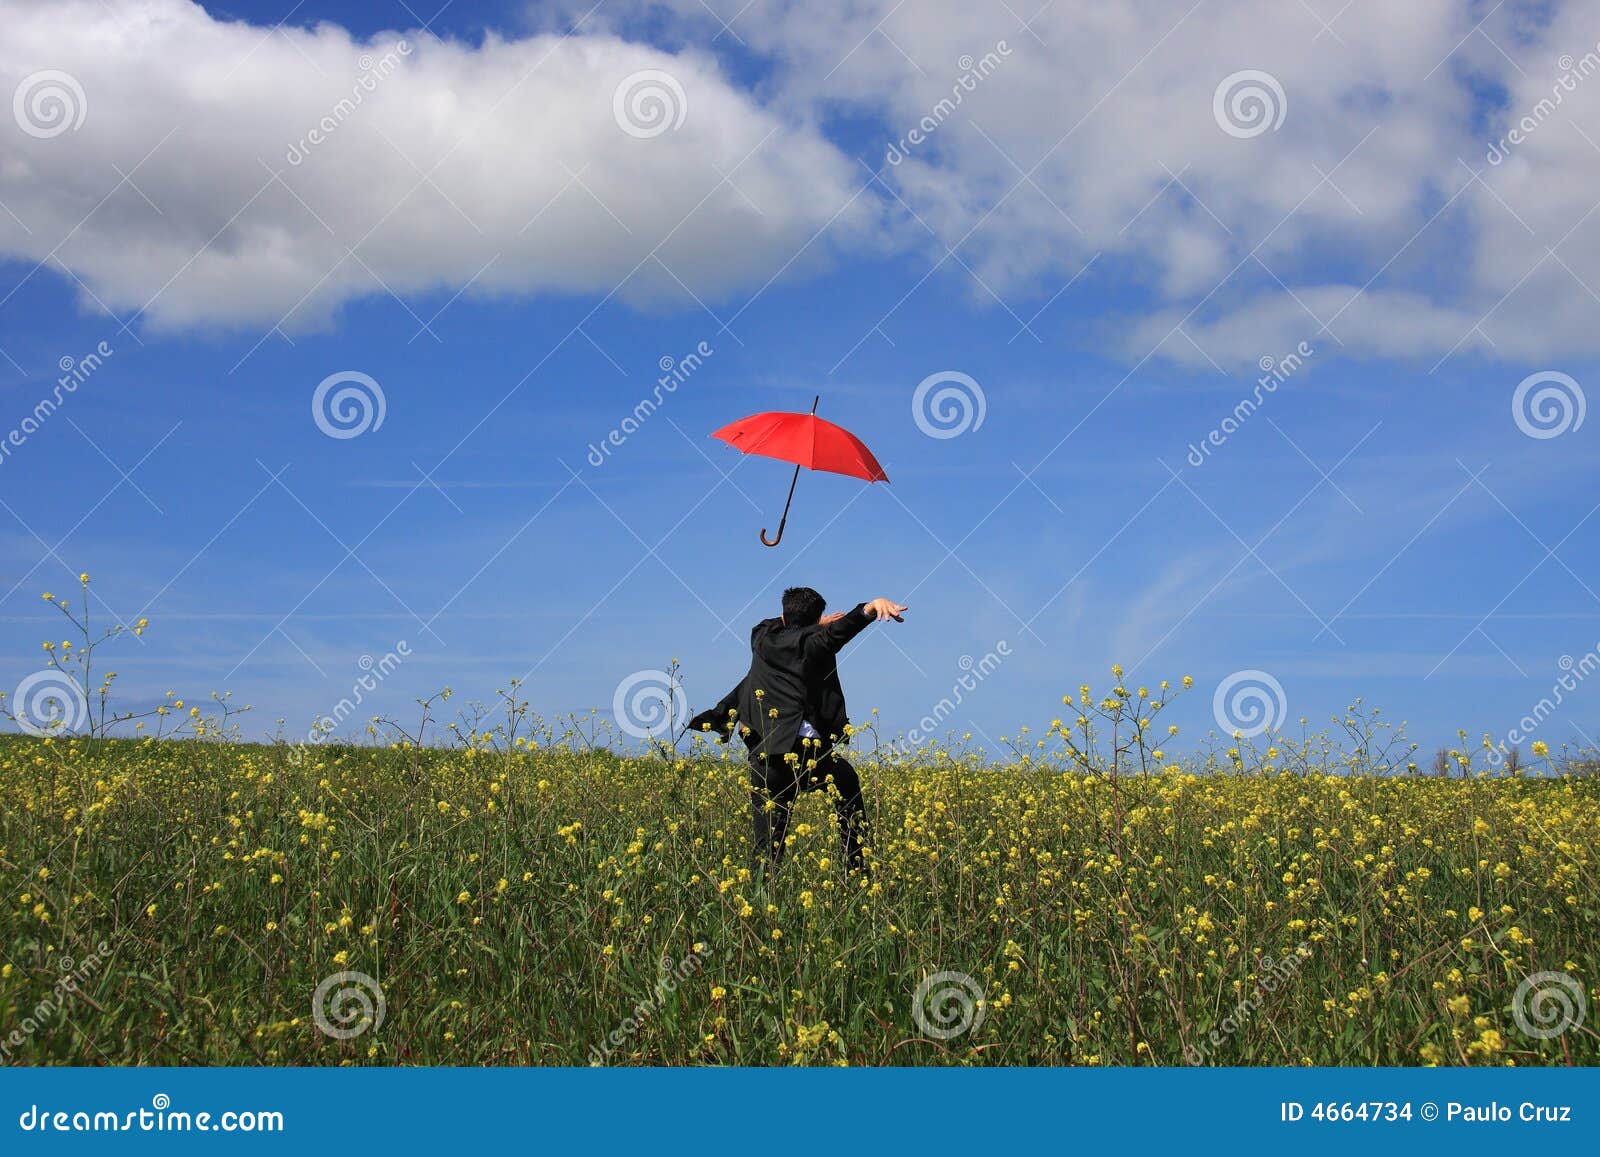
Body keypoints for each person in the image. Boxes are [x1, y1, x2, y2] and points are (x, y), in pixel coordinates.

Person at [688, 588, 907, 873]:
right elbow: (840, 632)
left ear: (784, 615)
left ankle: (762, 891)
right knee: (847, 785)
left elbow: (781, 623)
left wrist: (814, 623)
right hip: (809, 754)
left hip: (767, 755)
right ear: (816, 620)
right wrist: (869, 607)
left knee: (767, 846)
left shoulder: (761, 637)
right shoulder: (816, 643)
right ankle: (856, 867)